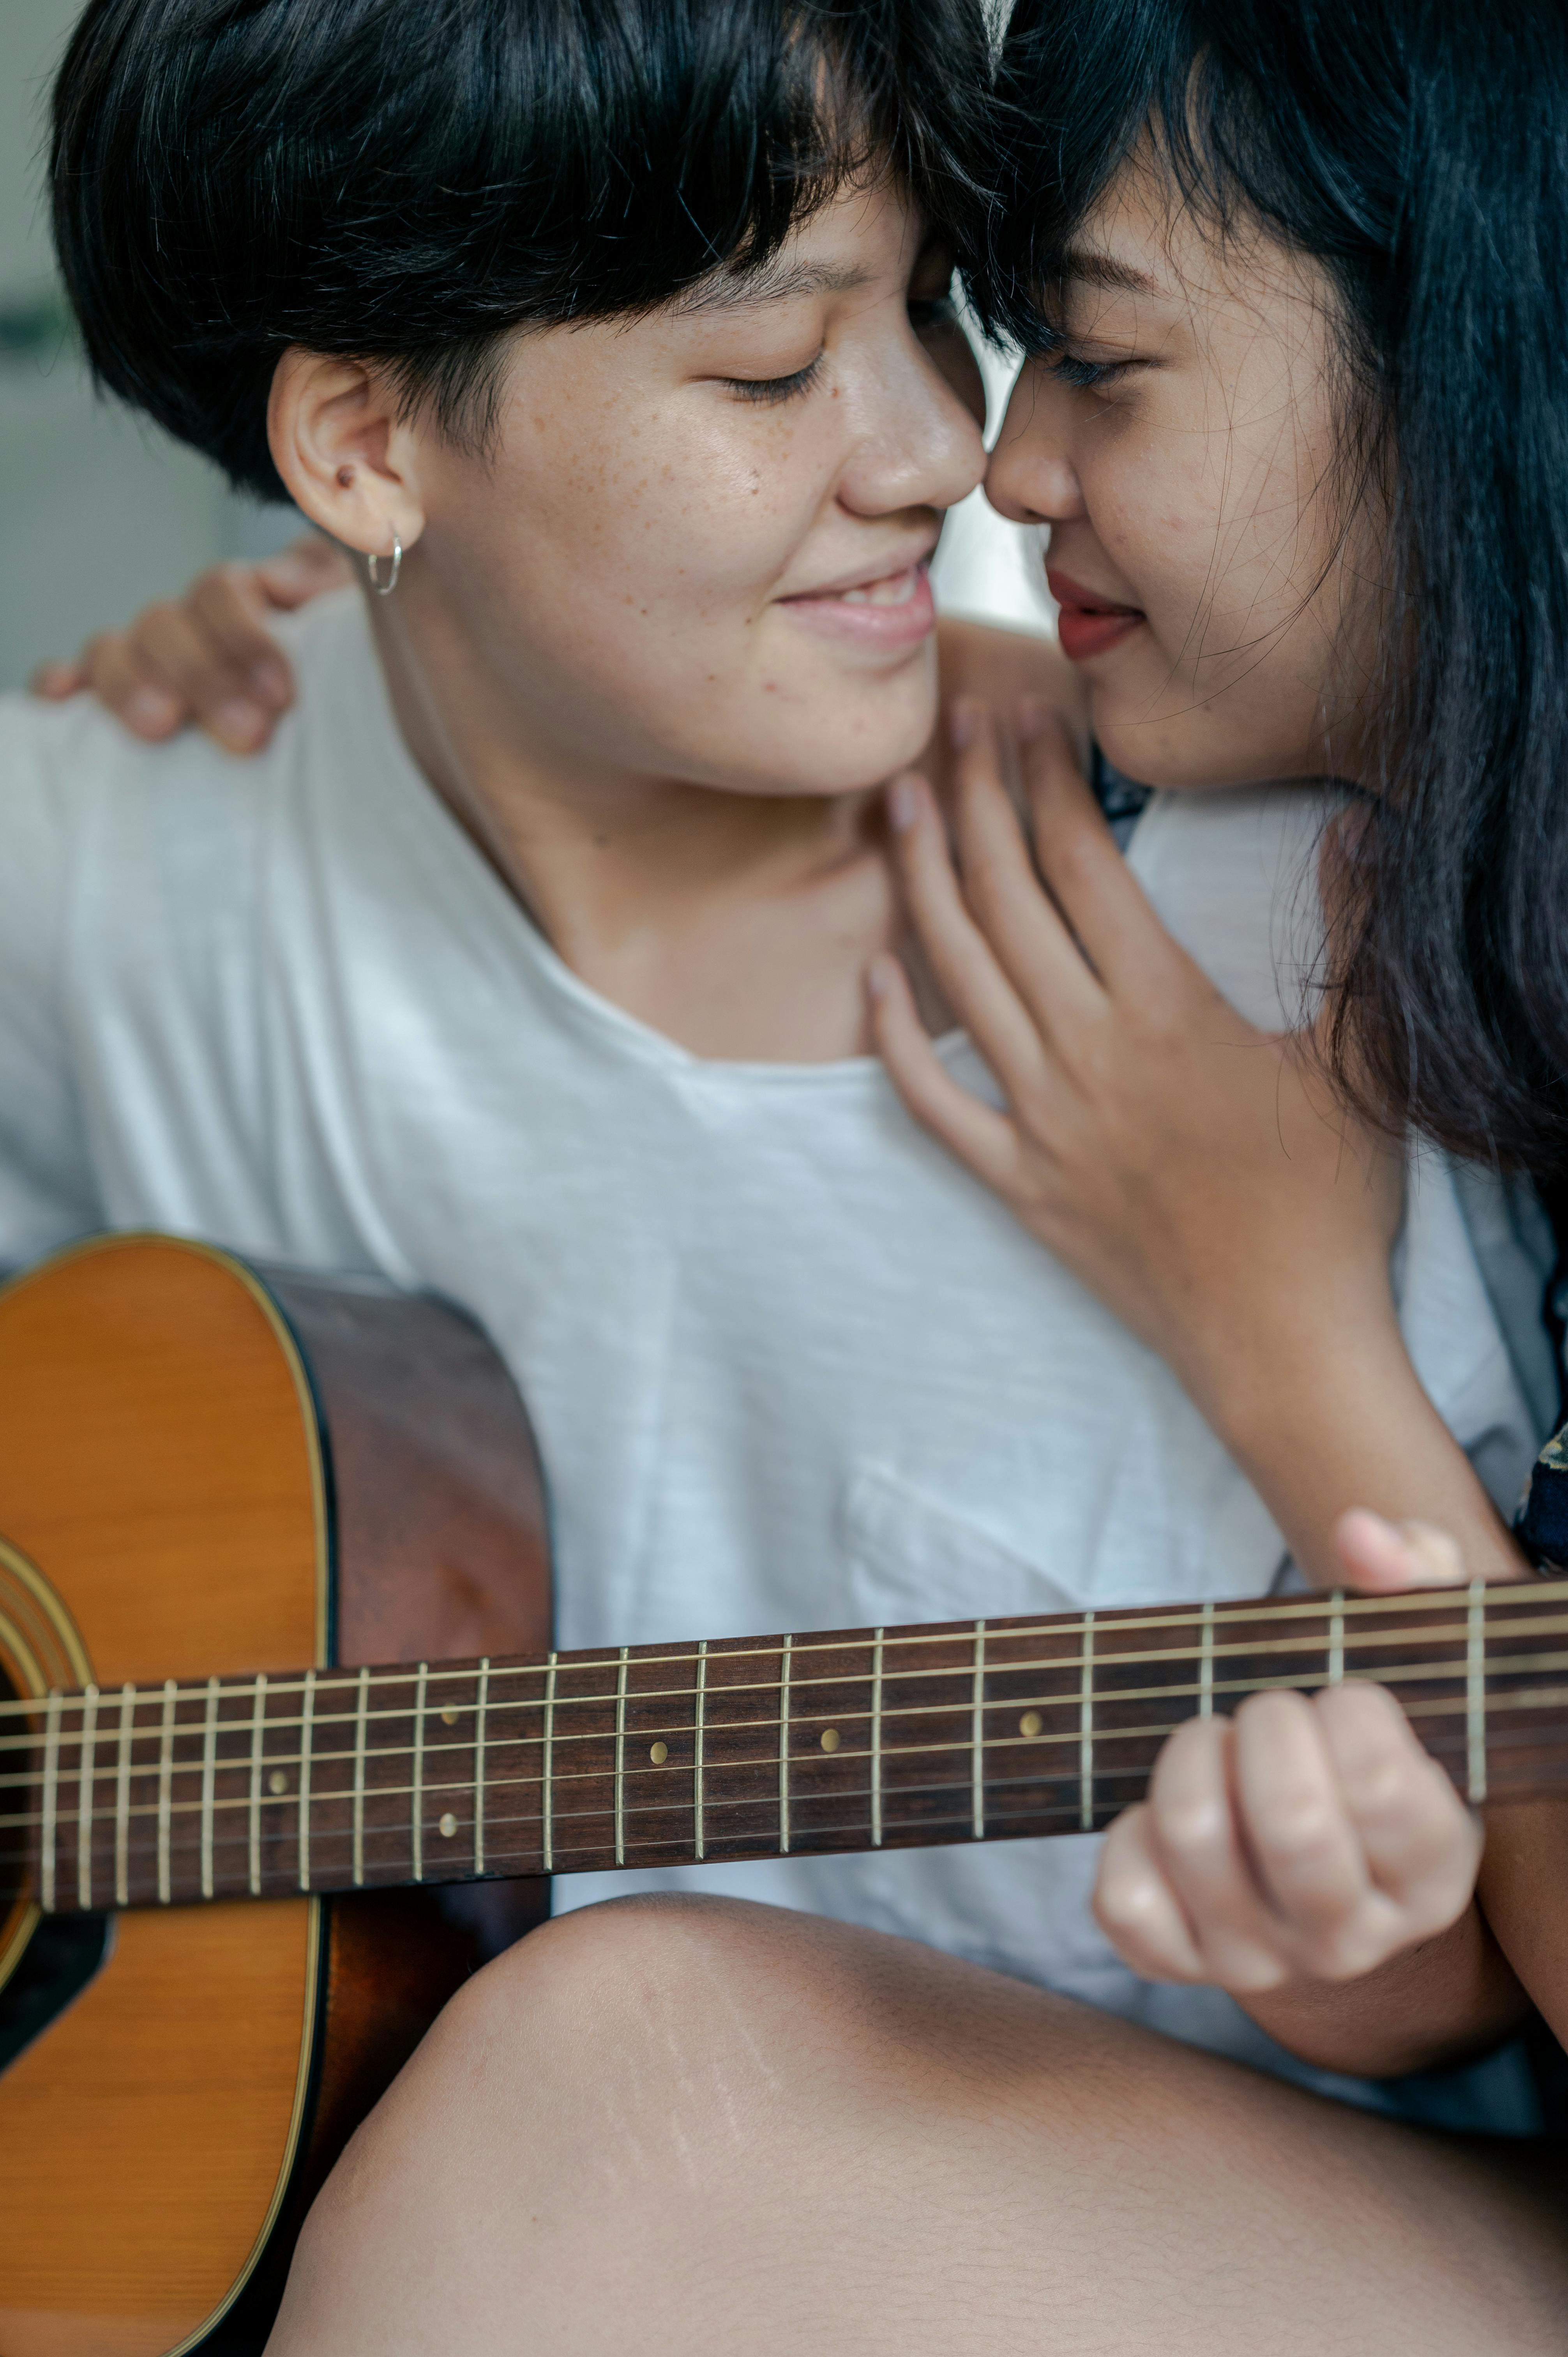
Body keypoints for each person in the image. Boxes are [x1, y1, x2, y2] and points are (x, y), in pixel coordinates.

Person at [10, 0, 1568, 2348]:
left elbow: (1458, 1942)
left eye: (949, 306)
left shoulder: (1303, 969)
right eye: (767, 375)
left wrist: (1383, 1948)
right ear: (355, 447)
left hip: (1220, 2221)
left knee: (604, 2090)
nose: (948, 453)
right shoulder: (106, 861)